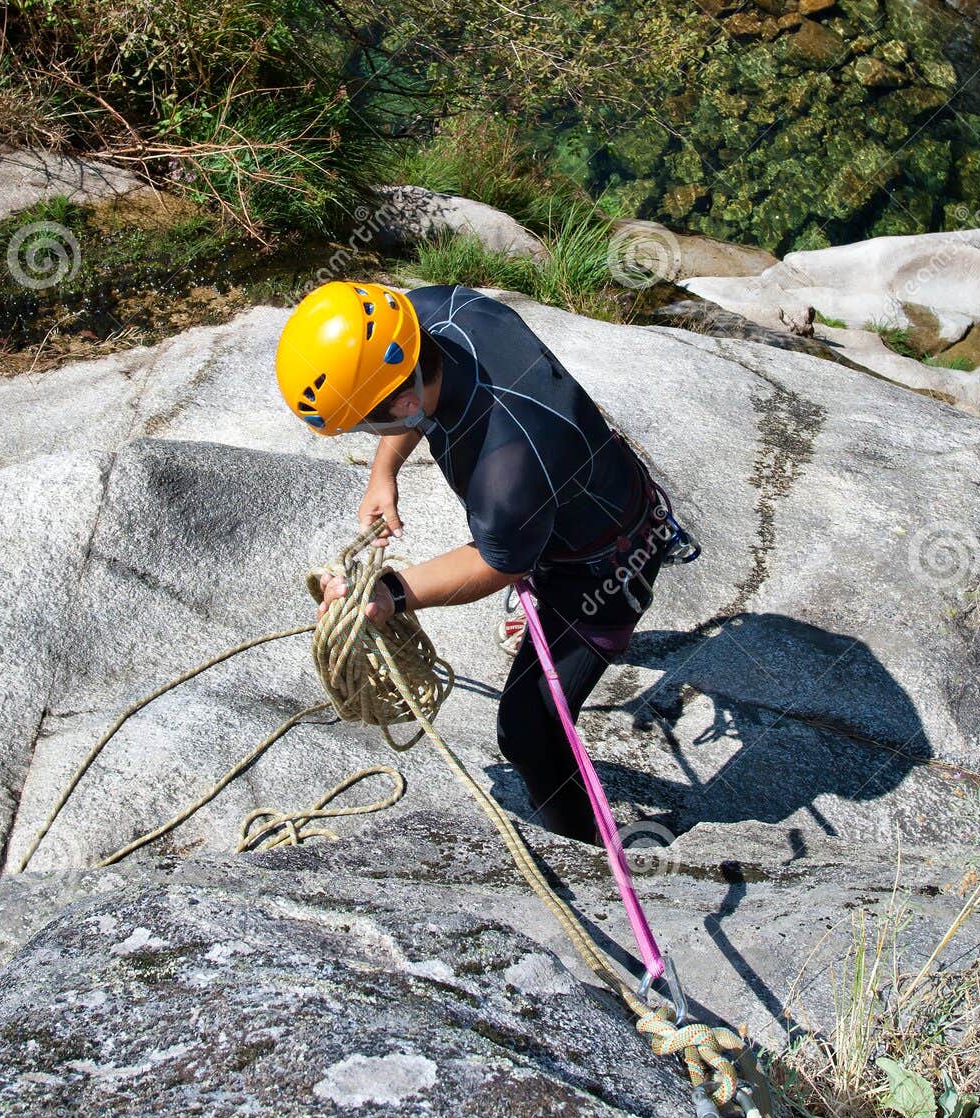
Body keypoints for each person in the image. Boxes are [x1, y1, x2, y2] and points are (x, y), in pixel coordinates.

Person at [275, 279, 697, 843]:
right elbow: (406, 396)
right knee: (523, 530)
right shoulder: (434, 310)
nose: (374, 434)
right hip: (578, 482)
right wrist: (384, 472)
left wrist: (389, 594)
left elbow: (498, 562)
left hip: (602, 564)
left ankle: (589, 847)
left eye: (369, 426)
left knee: (528, 731)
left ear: (401, 405)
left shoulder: (507, 471)